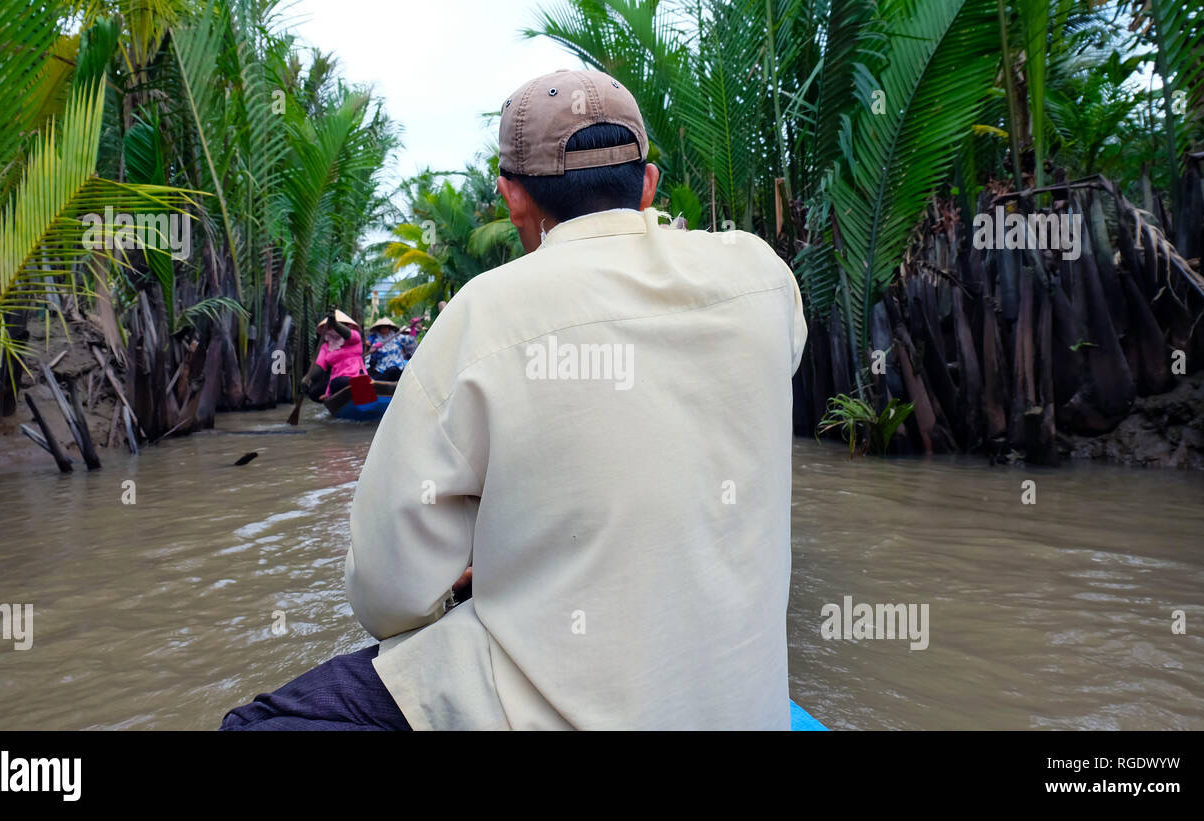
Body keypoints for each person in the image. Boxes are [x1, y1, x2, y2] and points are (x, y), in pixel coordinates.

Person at [221, 69, 806, 731]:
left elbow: (387, 594)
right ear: (647, 183)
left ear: (512, 197)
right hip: (739, 705)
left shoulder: (481, 317)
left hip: (551, 709)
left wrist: (475, 566)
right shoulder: (763, 277)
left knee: (261, 723)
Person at [302, 309, 364, 402]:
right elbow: (319, 368)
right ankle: (335, 398)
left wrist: (335, 324)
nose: (333, 330)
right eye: (331, 327)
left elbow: (347, 334)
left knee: (339, 382)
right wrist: (307, 379)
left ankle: (356, 392)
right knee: (314, 391)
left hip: (355, 375)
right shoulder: (326, 346)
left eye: (337, 326)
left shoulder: (354, 336)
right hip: (336, 378)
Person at [364, 317, 408, 381]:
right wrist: (375, 348)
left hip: (398, 366)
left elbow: (410, 340)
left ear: (390, 328)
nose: (384, 329)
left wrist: (413, 329)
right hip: (381, 368)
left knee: (393, 369)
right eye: (382, 327)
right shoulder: (375, 339)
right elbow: (370, 352)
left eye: (386, 327)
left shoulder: (397, 337)